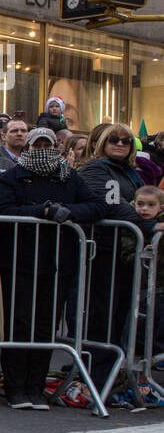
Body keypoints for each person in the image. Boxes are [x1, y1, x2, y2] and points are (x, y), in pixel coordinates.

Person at [0, 128, 103, 408]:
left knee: (45, 326)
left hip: (57, 263)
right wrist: (40, 211)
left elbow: (95, 206)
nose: (43, 149)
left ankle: (36, 386)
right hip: (20, 262)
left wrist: (68, 212)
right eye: (37, 144)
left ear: (56, 146)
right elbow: (4, 211)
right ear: (28, 148)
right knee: (19, 325)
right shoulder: (11, 177)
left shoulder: (69, 176)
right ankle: (15, 388)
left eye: (48, 144)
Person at [77, 124, 162, 396]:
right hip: (102, 252)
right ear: (102, 141)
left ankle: (112, 378)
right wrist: (147, 226)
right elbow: (111, 204)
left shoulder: (131, 173)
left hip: (127, 254)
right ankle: (96, 380)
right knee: (102, 319)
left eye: (127, 141)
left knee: (121, 319)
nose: (121, 144)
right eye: (114, 139)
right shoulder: (94, 169)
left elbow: (143, 202)